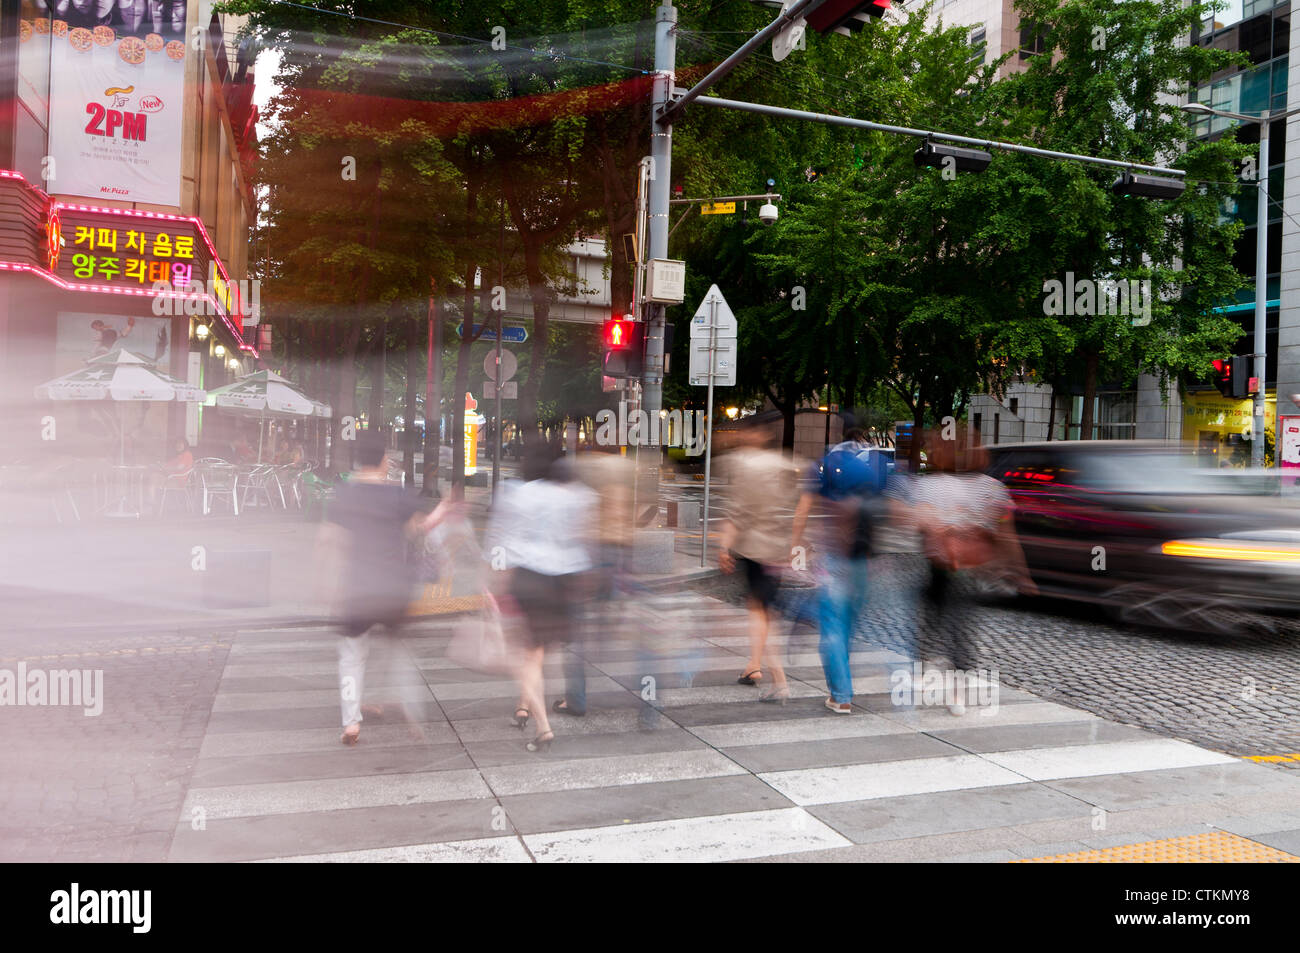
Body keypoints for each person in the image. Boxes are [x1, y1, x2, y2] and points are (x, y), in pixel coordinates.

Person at [319, 430, 456, 745]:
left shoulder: (344, 494)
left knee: (351, 656)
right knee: (400, 654)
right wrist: (441, 512)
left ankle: (351, 723)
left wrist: (324, 582)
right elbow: (417, 531)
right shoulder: (398, 495)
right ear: (383, 459)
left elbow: (329, 540)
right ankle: (413, 714)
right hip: (394, 590)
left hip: (356, 589)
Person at [907, 435, 1036, 714]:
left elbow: (918, 523)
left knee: (936, 619)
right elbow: (1006, 534)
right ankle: (955, 693)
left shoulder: (929, 485)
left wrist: (939, 528)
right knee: (958, 628)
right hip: (967, 568)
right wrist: (1020, 572)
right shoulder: (993, 489)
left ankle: (925, 671)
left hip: (942, 566)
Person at [485, 438, 597, 752]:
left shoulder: (516, 494)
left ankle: (541, 724)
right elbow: (584, 538)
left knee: (524, 656)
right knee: (536, 653)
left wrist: (495, 580)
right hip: (563, 581)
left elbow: (500, 541)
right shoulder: (576, 495)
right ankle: (524, 705)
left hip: (528, 579)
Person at [792, 429, 880, 714]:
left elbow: (803, 510)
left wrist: (796, 544)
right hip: (861, 561)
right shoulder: (867, 470)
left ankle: (841, 695)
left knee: (831, 626)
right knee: (846, 627)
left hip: (833, 557)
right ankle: (840, 690)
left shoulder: (821, 466)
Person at [718, 425, 799, 703]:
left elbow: (737, 511)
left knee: (760, 614)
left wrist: (724, 546)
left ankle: (780, 681)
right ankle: (753, 666)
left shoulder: (746, 466)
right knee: (763, 609)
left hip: (756, 549)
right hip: (778, 548)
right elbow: (796, 505)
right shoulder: (785, 464)